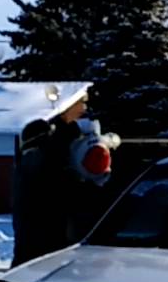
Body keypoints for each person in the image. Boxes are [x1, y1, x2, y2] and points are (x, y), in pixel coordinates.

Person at [10, 96, 102, 267]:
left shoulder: (27, 164)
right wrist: (71, 130)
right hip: (41, 246)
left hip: (33, 246)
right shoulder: (35, 161)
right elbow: (53, 160)